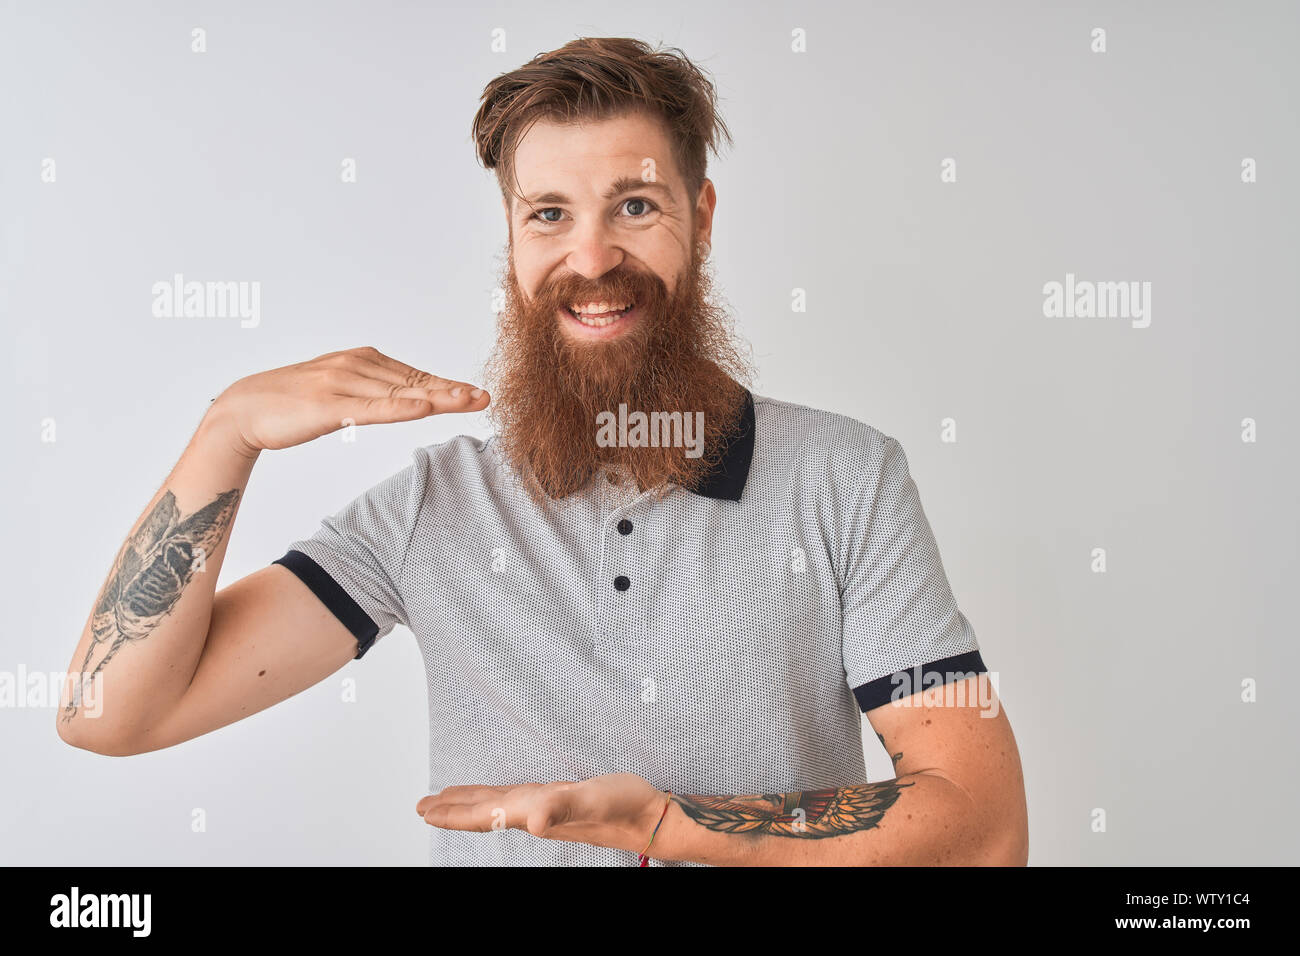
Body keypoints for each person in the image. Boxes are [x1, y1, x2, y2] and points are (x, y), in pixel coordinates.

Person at [58, 37, 1028, 866]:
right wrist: (225, 433)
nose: (592, 257)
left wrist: (664, 821)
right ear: (512, 239)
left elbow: (984, 827)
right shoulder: (435, 508)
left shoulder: (846, 479)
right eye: (549, 214)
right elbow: (110, 715)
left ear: (702, 216)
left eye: (635, 207)